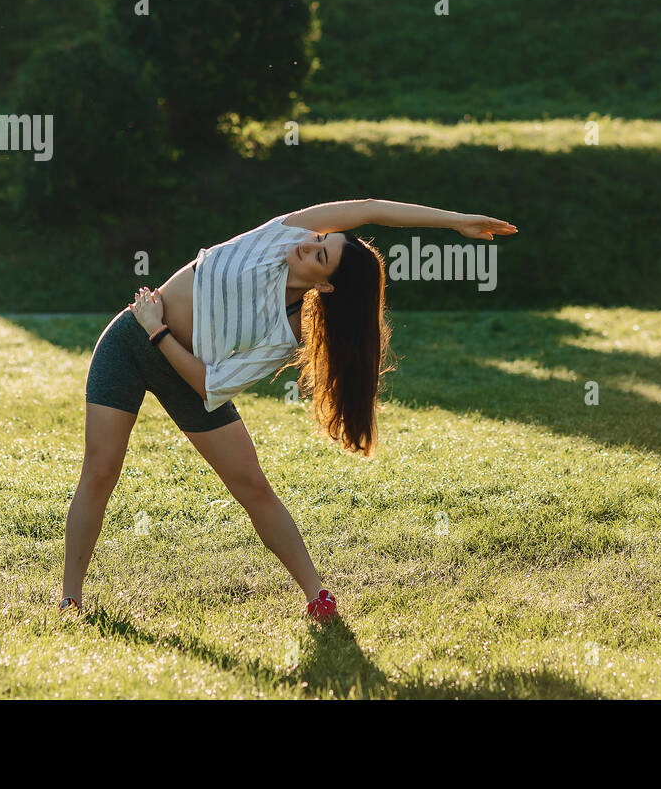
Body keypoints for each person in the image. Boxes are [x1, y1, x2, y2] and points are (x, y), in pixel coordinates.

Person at [59, 199, 517, 622]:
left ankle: (317, 596)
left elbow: (211, 385)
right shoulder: (278, 237)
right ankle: (71, 599)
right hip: (129, 341)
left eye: (319, 255)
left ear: (326, 284)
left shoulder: (288, 330)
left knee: (252, 485)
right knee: (100, 471)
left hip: (180, 362)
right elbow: (370, 208)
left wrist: (159, 331)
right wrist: (454, 221)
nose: (307, 245)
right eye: (319, 239)